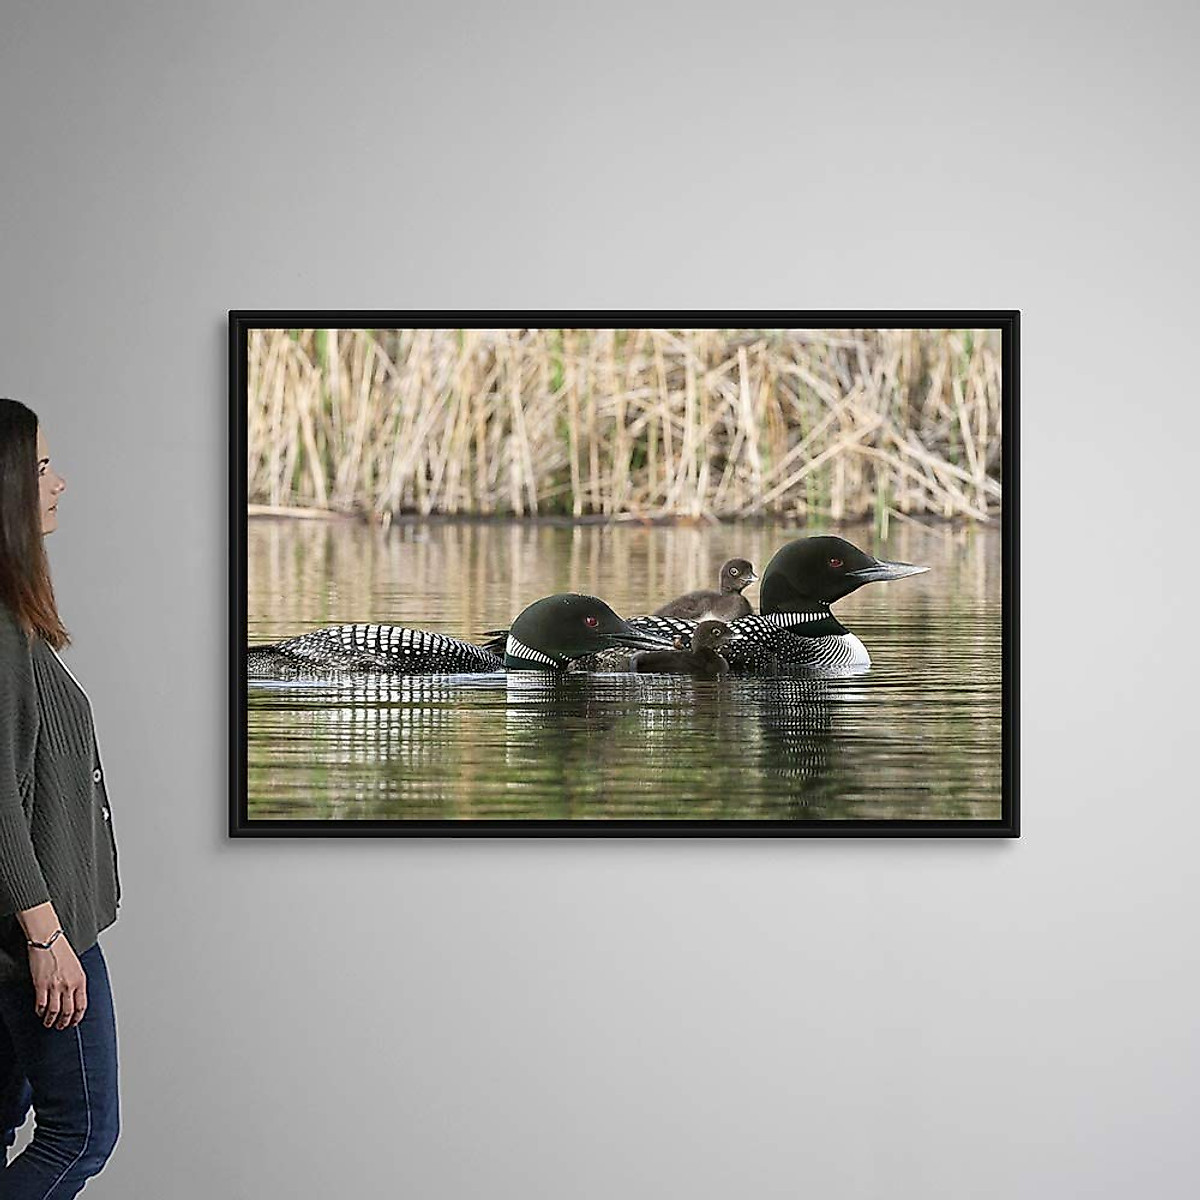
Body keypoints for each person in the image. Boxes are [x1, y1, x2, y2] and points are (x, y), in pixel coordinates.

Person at [0, 398, 121, 1194]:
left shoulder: (15, 614)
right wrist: (48, 938)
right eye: (42, 466)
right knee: (79, 1136)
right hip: (36, 939)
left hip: (29, 934)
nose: (59, 482)